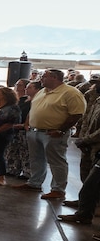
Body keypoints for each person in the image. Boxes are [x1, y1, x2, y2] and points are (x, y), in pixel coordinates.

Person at [14, 69, 86, 200]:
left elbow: (76, 114)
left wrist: (61, 130)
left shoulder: (70, 93)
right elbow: (34, 108)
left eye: (44, 76)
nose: (41, 78)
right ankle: (34, 183)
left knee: (56, 161)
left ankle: (58, 189)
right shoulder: (42, 91)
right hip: (35, 131)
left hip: (53, 133)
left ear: (54, 78)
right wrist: (27, 123)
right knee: (36, 159)